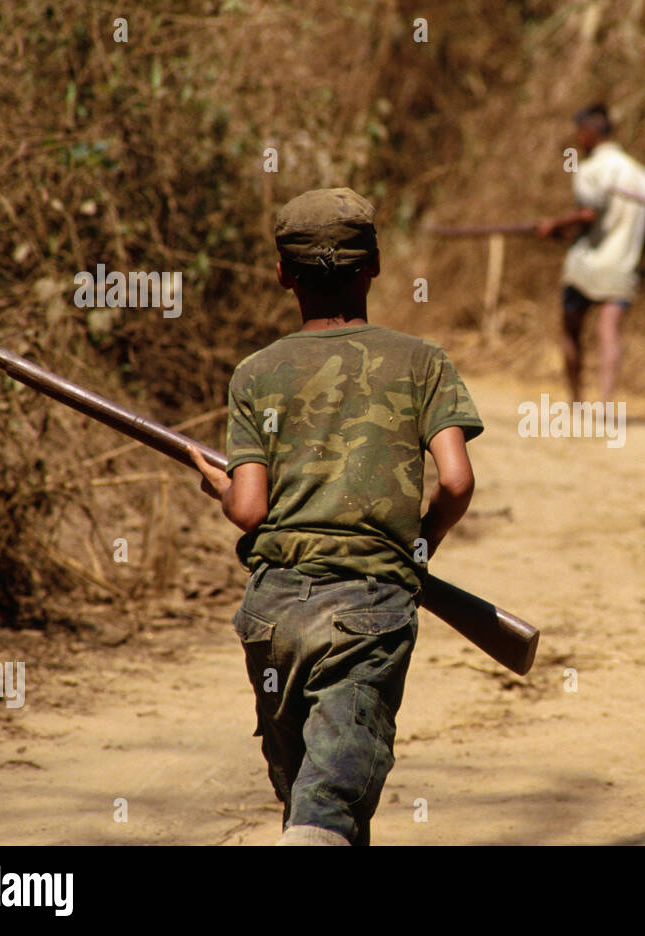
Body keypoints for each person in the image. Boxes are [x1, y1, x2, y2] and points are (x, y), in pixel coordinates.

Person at [188, 187, 484, 842]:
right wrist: (421, 546)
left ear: (282, 274)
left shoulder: (256, 372)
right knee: (329, 806)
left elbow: (249, 509)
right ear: (374, 263)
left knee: (305, 795)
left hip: (272, 613)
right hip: (368, 613)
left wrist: (222, 487)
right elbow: (456, 481)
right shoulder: (422, 362)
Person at [537, 104, 645, 403]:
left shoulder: (590, 169)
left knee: (571, 330)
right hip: (623, 263)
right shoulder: (641, 175)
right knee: (609, 332)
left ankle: (576, 399)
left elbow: (589, 213)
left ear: (588, 133)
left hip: (586, 264)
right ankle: (605, 402)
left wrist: (555, 225)